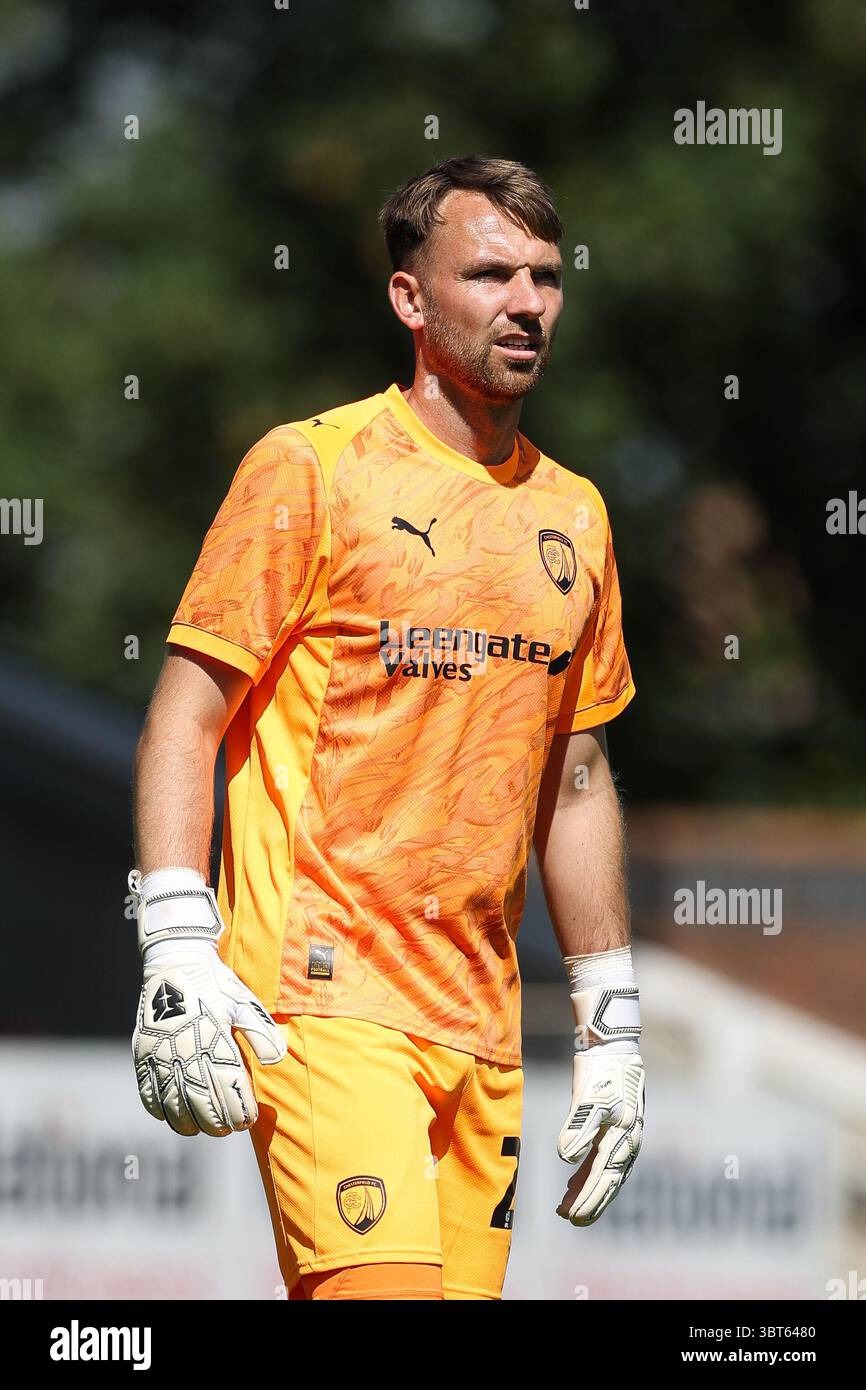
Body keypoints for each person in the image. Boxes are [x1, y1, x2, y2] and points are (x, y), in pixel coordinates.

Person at [129, 154, 645, 1302]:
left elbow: (574, 776)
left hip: (481, 1023)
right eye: (490, 274)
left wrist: (611, 1029)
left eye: (546, 277)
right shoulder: (309, 468)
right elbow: (184, 718)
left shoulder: (576, 512)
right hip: (321, 999)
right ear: (411, 299)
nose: (527, 302)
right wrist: (174, 941)